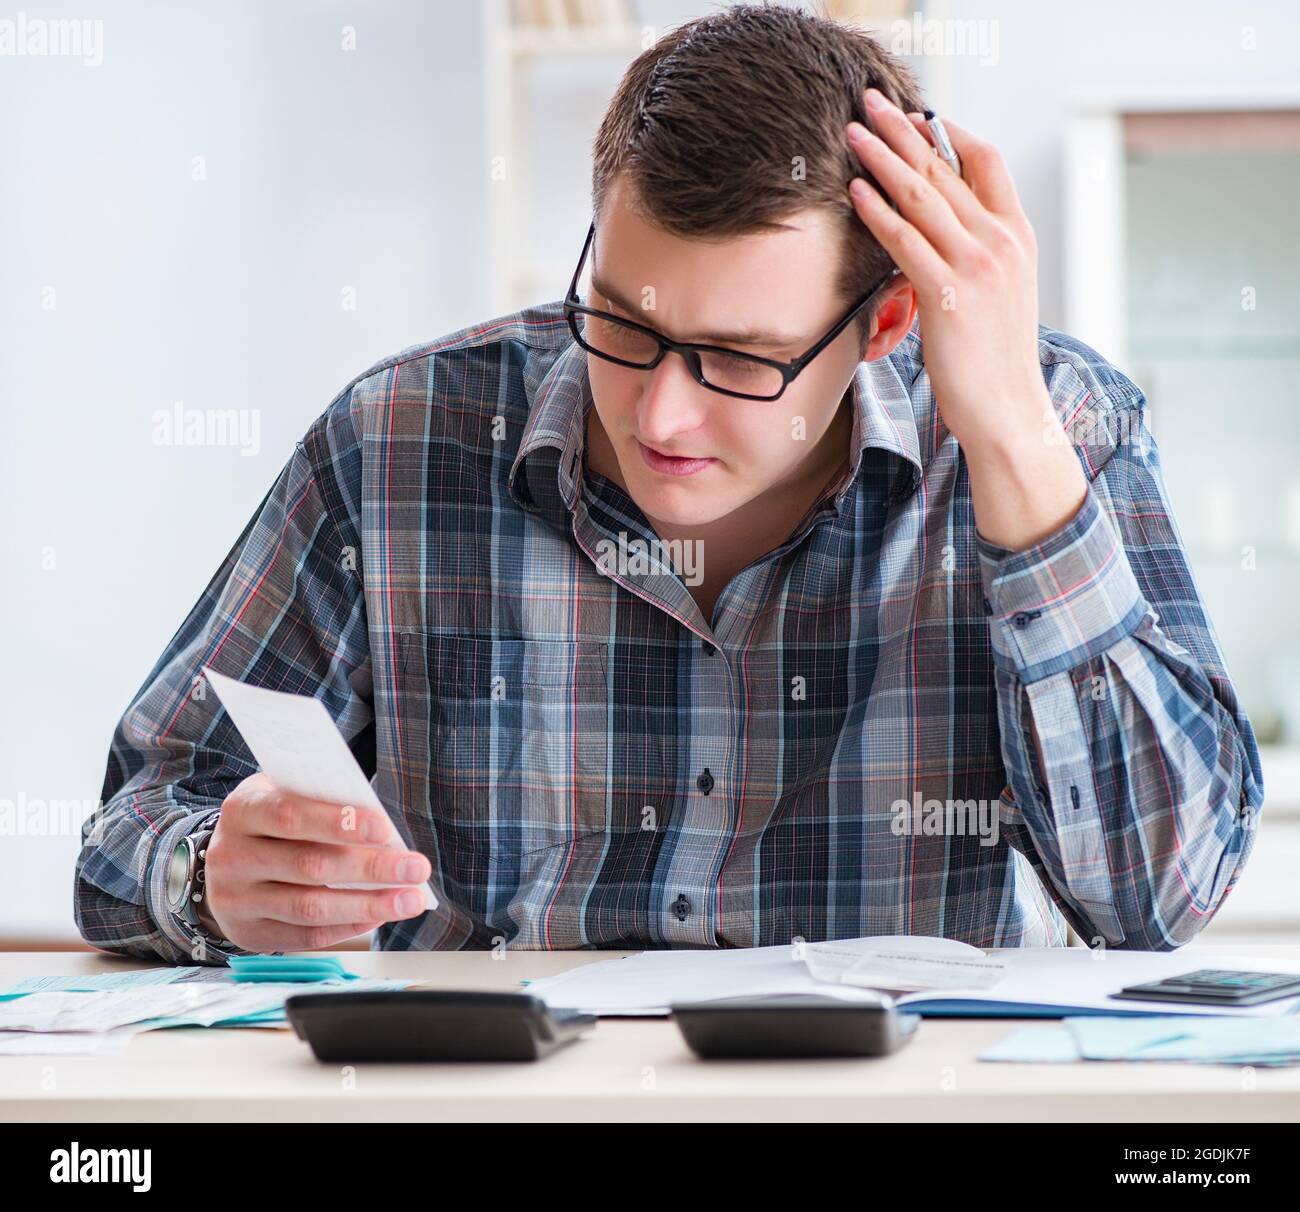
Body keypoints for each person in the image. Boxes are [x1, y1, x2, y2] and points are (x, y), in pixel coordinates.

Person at [77, 4, 1261, 965]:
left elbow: (1158, 898)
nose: (660, 414)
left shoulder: (1053, 423)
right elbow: (127, 834)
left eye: (742, 358)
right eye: (622, 324)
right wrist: (210, 882)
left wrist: (1013, 443)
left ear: (889, 319)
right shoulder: (396, 440)